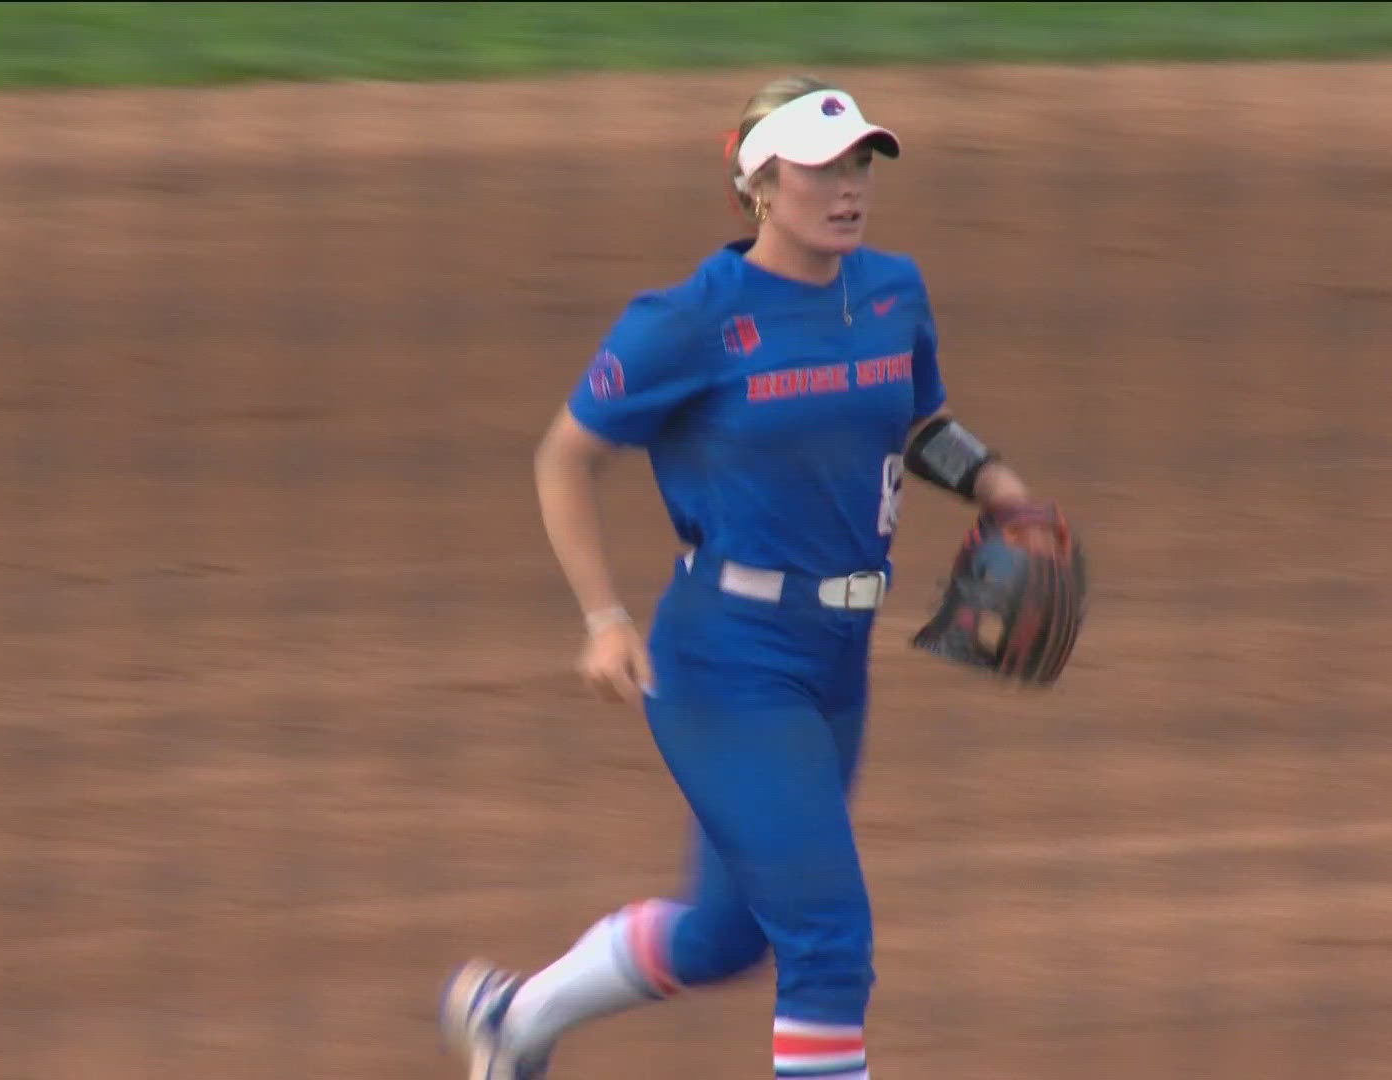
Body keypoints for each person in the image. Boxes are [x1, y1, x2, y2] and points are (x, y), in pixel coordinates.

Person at [441, 74, 1047, 1080]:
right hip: (727, 660)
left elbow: (917, 422)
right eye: (819, 169)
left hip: (837, 664)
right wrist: (604, 618)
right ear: (759, 185)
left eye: (859, 163)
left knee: (727, 937)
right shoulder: (692, 320)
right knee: (827, 944)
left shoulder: (893, 291)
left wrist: (996, 482)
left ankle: (514, 1018)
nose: (847, 186)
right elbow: (563, 457)